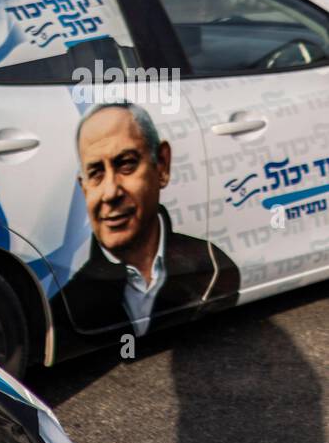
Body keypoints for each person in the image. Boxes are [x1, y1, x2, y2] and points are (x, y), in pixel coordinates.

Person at [50, 101, 239, 354]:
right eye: (95, 173)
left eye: (126, 164)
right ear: (84, 188)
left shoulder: (213, 266)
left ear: (161, 165)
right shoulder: (67, 304)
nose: (110, 192)